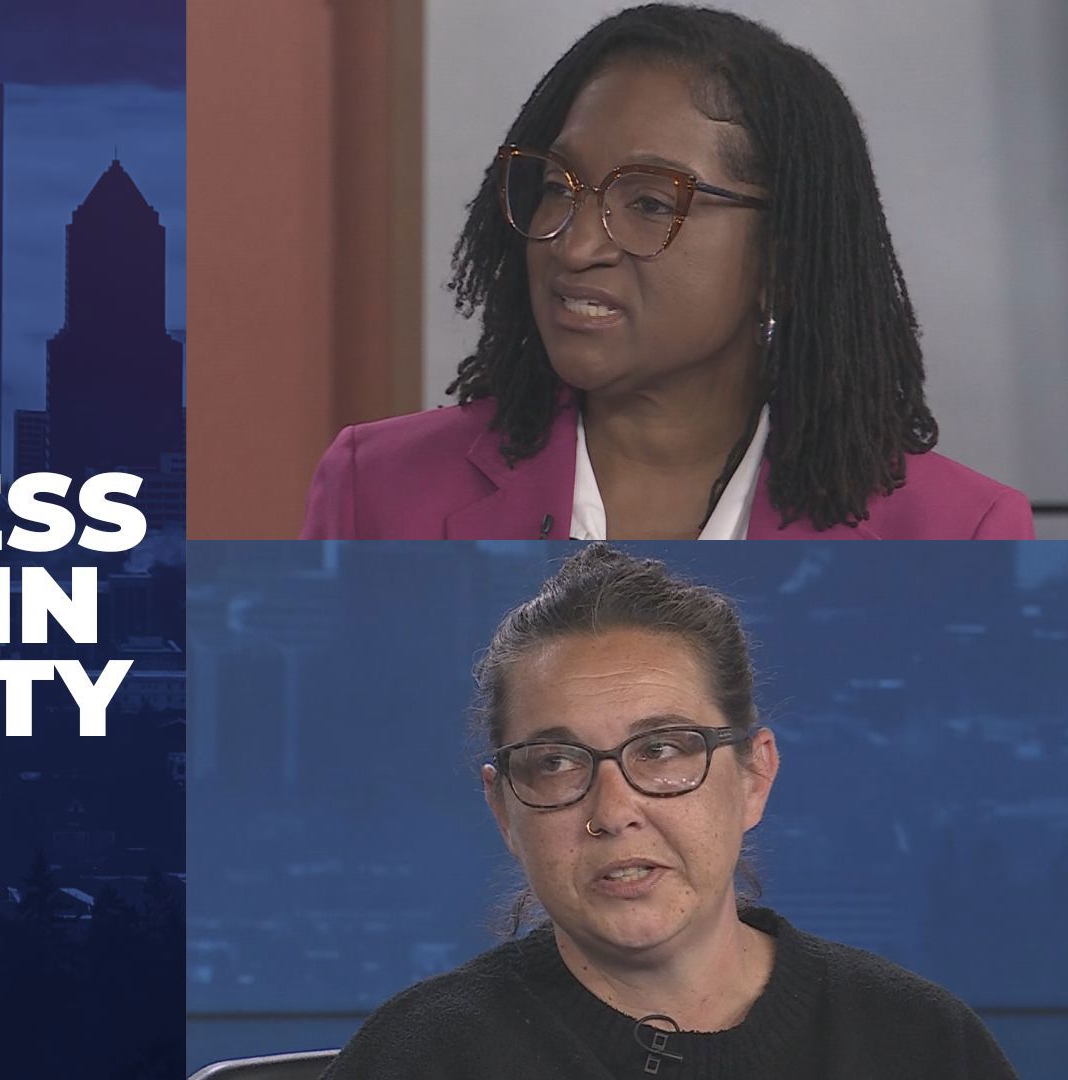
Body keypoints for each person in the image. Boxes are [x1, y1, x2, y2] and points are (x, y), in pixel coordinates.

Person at [301, 4, 1033, 540]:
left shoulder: (958, 531)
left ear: (783, 256)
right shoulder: (378, 489)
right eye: (558, 186)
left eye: (649, 203)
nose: (575, 244)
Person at [321, 545, 1017, 1079]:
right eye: (557, 762)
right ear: (504, 809)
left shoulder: (918, 1042)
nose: (615, 810)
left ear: (753, 775)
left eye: (660, 750)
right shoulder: (424, 1054)